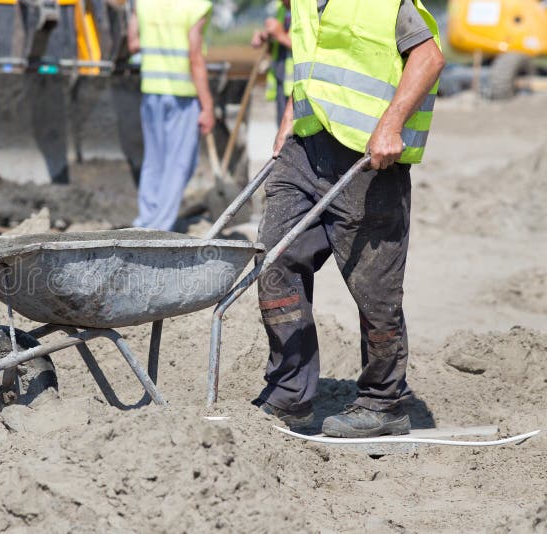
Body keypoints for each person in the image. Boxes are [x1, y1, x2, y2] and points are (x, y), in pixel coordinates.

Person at [255, 0, 445, 437]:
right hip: (304, 149)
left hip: (368, 159)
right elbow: (314, 64)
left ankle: (384, 402)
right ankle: (290, 393)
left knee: (375, 291)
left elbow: (429, 56)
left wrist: (391, 124)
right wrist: (290, 117)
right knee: (274, 260)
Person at [128, 0, 215, 231]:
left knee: (153, 161)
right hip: (183, 95)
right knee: (178, 164)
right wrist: (207, 105)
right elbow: (195, 57)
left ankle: (145, 221)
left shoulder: (143, 4)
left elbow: (133, 43)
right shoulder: (196, 6)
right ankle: (160, 227)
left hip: (151, 91)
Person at [251, 0, 293, 125]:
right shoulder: (281, 8)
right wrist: (265, 37)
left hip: (299, 87)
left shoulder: (309, 8)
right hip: (282, 82)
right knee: (282, 132)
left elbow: (310, 48)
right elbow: (277, 41)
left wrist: (280, 35)